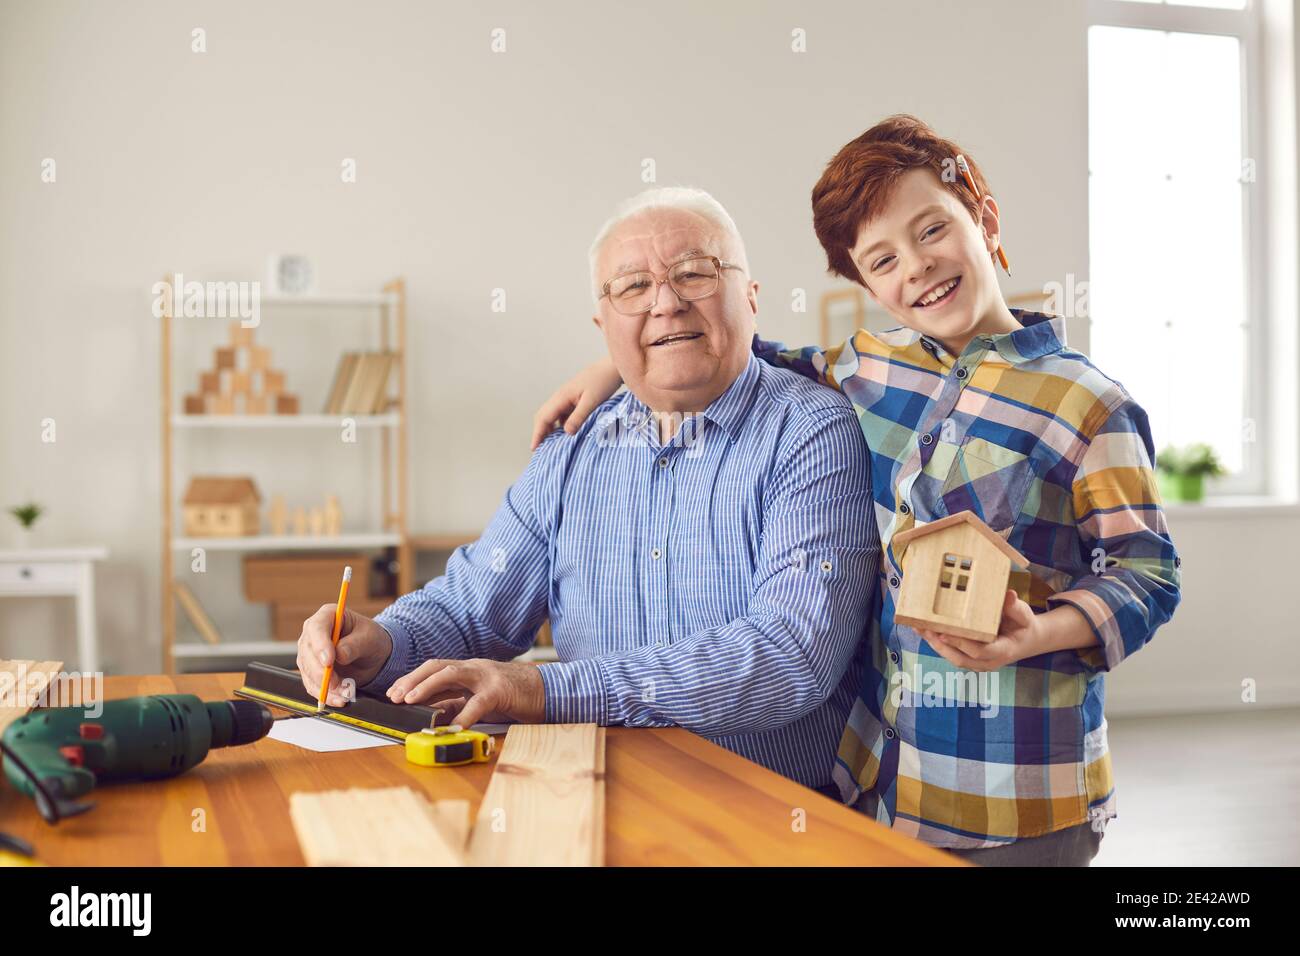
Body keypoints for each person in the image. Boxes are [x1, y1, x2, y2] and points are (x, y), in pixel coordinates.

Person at [530, 116, 1182, 865]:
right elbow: (720, 345)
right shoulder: (867, 370)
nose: (916, 267)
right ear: (866, 281)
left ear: (985, 220)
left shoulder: (1088, 404)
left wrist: (1041, 632)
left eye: (932, 230)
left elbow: (1147, 575)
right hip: (881, 789)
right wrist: (612, 367)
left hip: (1020, 799)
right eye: (882, 260)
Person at [298, 186, 879, 791]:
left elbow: (789, 657)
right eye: (633, 287)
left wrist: (548, 689)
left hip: (765, 821)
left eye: (694, 274)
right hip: (588, 798)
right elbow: (474, 607)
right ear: (604, 326)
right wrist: (385, 645)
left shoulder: (811, 431)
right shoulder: (573, 446)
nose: (666, 303)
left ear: (752, 300)